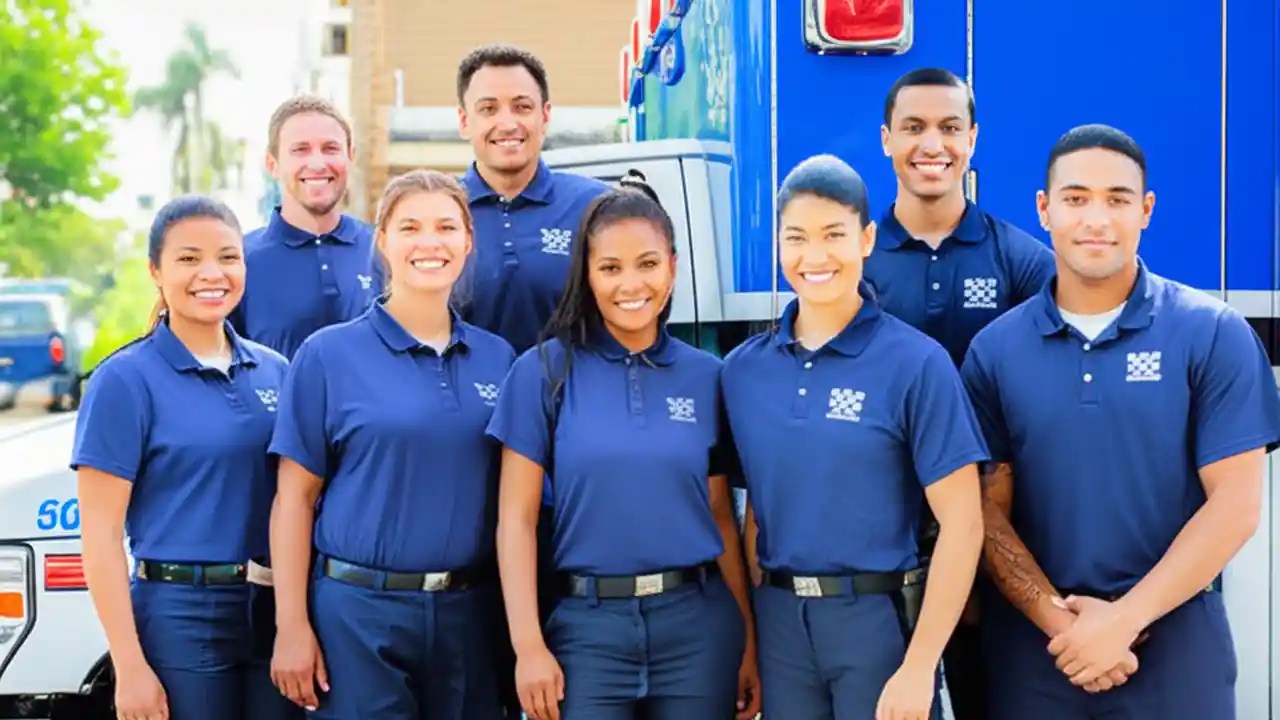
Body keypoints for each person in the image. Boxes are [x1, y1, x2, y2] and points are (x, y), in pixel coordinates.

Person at [960, 124, 1280, 719]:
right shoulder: (994, 351)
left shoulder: (1211, 334)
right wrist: (1065, 625)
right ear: (1044, 209)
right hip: (1041, 653)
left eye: (1118, 199)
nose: (1096, 219)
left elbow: (1235, 506)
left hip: (1178, 647)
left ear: (1147, 210)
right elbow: (983, 510)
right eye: (1076, 199)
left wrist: (1124, 621)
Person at [721, 154, 987, 720]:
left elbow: (964, 524)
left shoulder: (916, 364)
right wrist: (752, 639)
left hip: (878, 625)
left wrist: (920, 665)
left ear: (866, 239)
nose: (814, 256)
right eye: (796, 237)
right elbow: (756, 516)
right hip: (781, 627)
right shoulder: (744, 371)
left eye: (833, 235)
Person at [485, 175, 760, 720]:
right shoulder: (543, 372)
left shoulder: (707, 376)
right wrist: (528, 647)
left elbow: (719, 516)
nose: (630, 283)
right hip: (587, 632)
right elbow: (514, 521)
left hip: (697, 630)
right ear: (586, 276)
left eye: (648, 264)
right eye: (610, 268)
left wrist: (748, 642)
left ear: (673, 267)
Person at [266, 169, 514, 720]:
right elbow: (293, 501)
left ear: (468, 241)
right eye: (411, 227)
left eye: (446, 227)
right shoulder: (328, 356)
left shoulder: (500, 360)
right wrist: (292, 625)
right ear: (382, 240)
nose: (430, 243)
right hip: (359, 617)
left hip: (468, 616)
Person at [867, 68, 1057, 718]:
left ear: (973, 139)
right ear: (886, 139)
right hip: (881, 543)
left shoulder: (1022, 262)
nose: (933, 144)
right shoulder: (854, 262)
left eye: (950, 128)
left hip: (990, 535)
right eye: (914, 127)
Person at [72, 196, 294, 720]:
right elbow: (99, 536)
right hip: (180, 615)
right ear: (156, 271)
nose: (211, 273)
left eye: (228, 257)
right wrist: (129, 666)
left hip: (272, 610)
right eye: (189, 258)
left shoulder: (276, 371)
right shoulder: (125, 380)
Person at [456, 43, 609, 354]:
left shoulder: (595, 207)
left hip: (569, 397)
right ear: (464, 121)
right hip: (465, 400)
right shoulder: (439, 212)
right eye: (488, 109)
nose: (508, 123)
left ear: (545, 115)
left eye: (522, 107)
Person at [231, 94, 380, 361]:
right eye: (300, 150)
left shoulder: (385, 250)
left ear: (350, 156)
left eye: (330, 148)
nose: (317, 163)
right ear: (272, 165)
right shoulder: (239, 261)